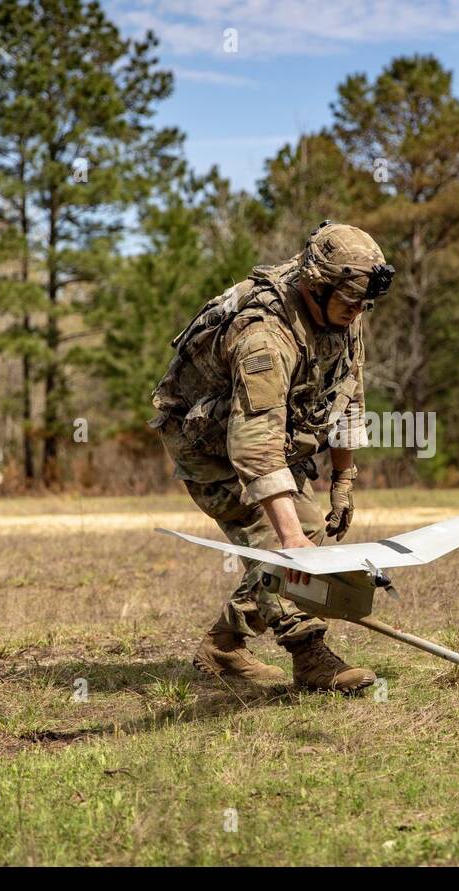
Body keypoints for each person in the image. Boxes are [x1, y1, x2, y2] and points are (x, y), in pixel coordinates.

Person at [150, 221, 395, 692]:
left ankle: (223, 646)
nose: (357, 313)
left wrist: (343, 481)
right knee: (284, 543)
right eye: (350, 303)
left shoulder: (345, 311)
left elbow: (349, 391)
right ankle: (310, 656)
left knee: (308, 531)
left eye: (364, 305)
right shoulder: (265, 335)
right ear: (315, 287)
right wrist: (289, 538)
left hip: (269, 434)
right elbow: (254, 444)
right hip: (210, 446)